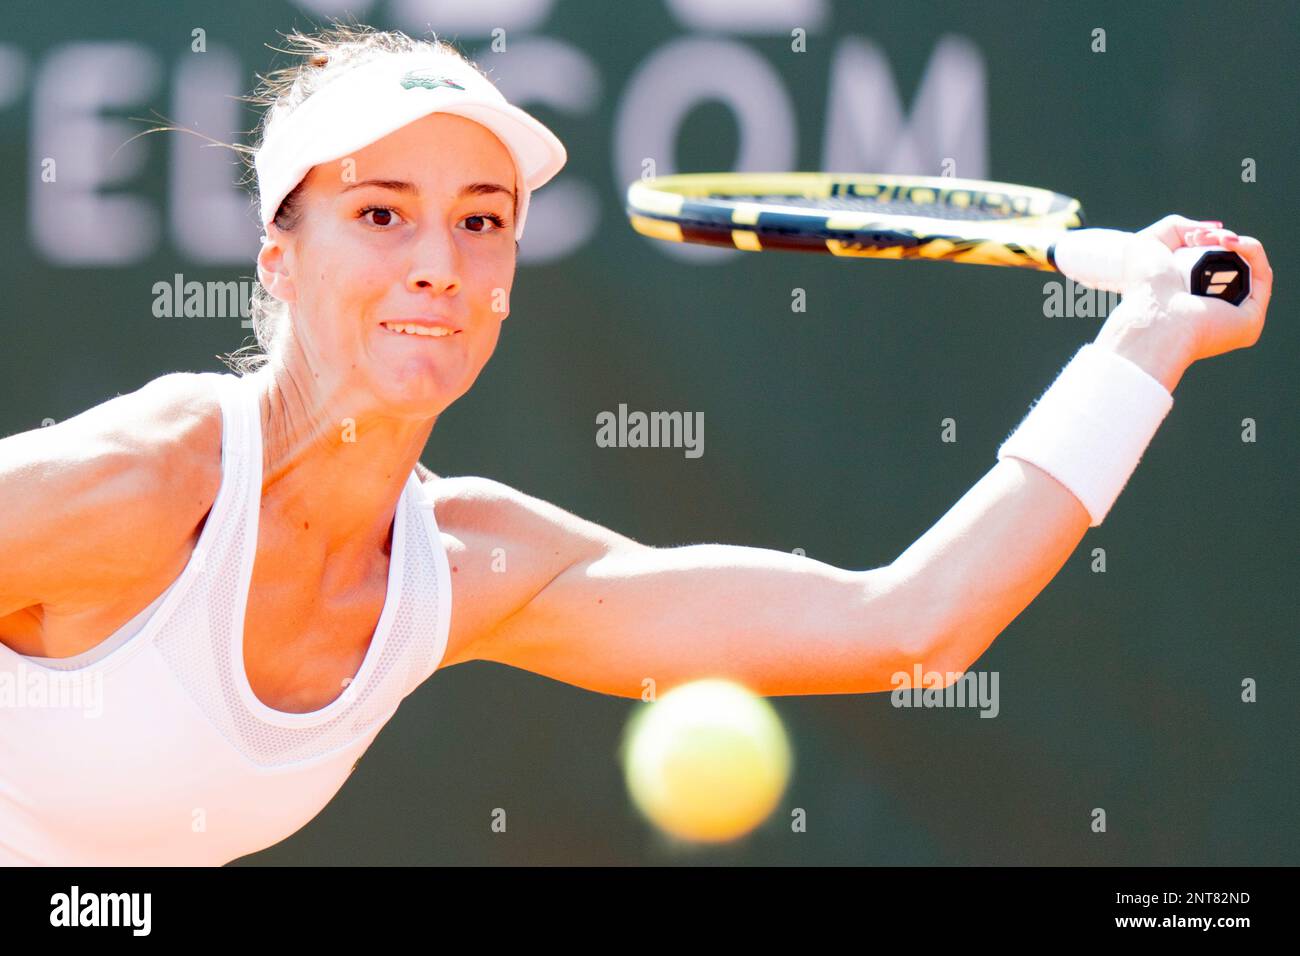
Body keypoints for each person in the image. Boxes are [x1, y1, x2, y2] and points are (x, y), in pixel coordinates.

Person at [0, 25, 1273, 865]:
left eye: (481, 220)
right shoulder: (142, 484)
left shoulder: (471, 566)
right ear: (280, 254)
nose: (438, 264)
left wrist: (1143, 346)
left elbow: (911, 622)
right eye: (381, 212)